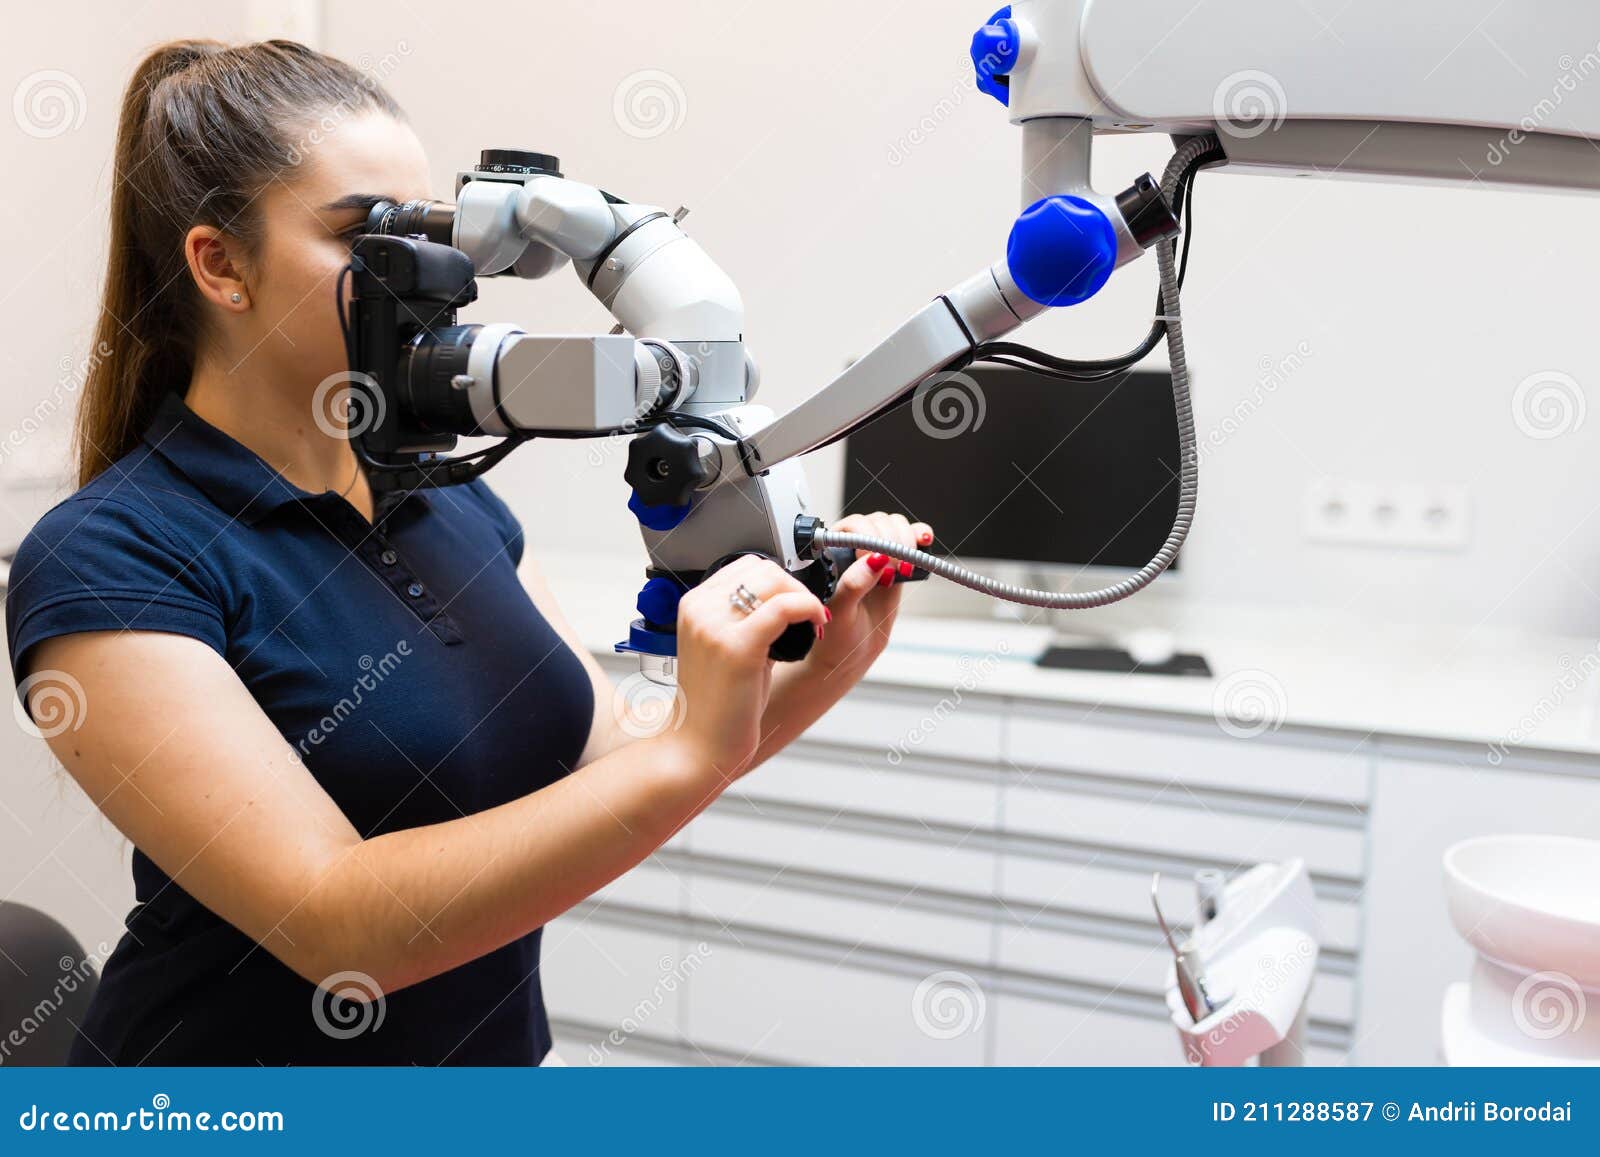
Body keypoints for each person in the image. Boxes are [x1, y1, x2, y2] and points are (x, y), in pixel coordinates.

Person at [4, 39, 931, 1065]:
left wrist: (826, 657)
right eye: (367, 234)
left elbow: (609, 764)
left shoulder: (450, 500)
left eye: (432, 233)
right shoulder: (111, 558)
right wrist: (689, 749)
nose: (433, 277)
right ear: (220, 263)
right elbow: (335, 924)